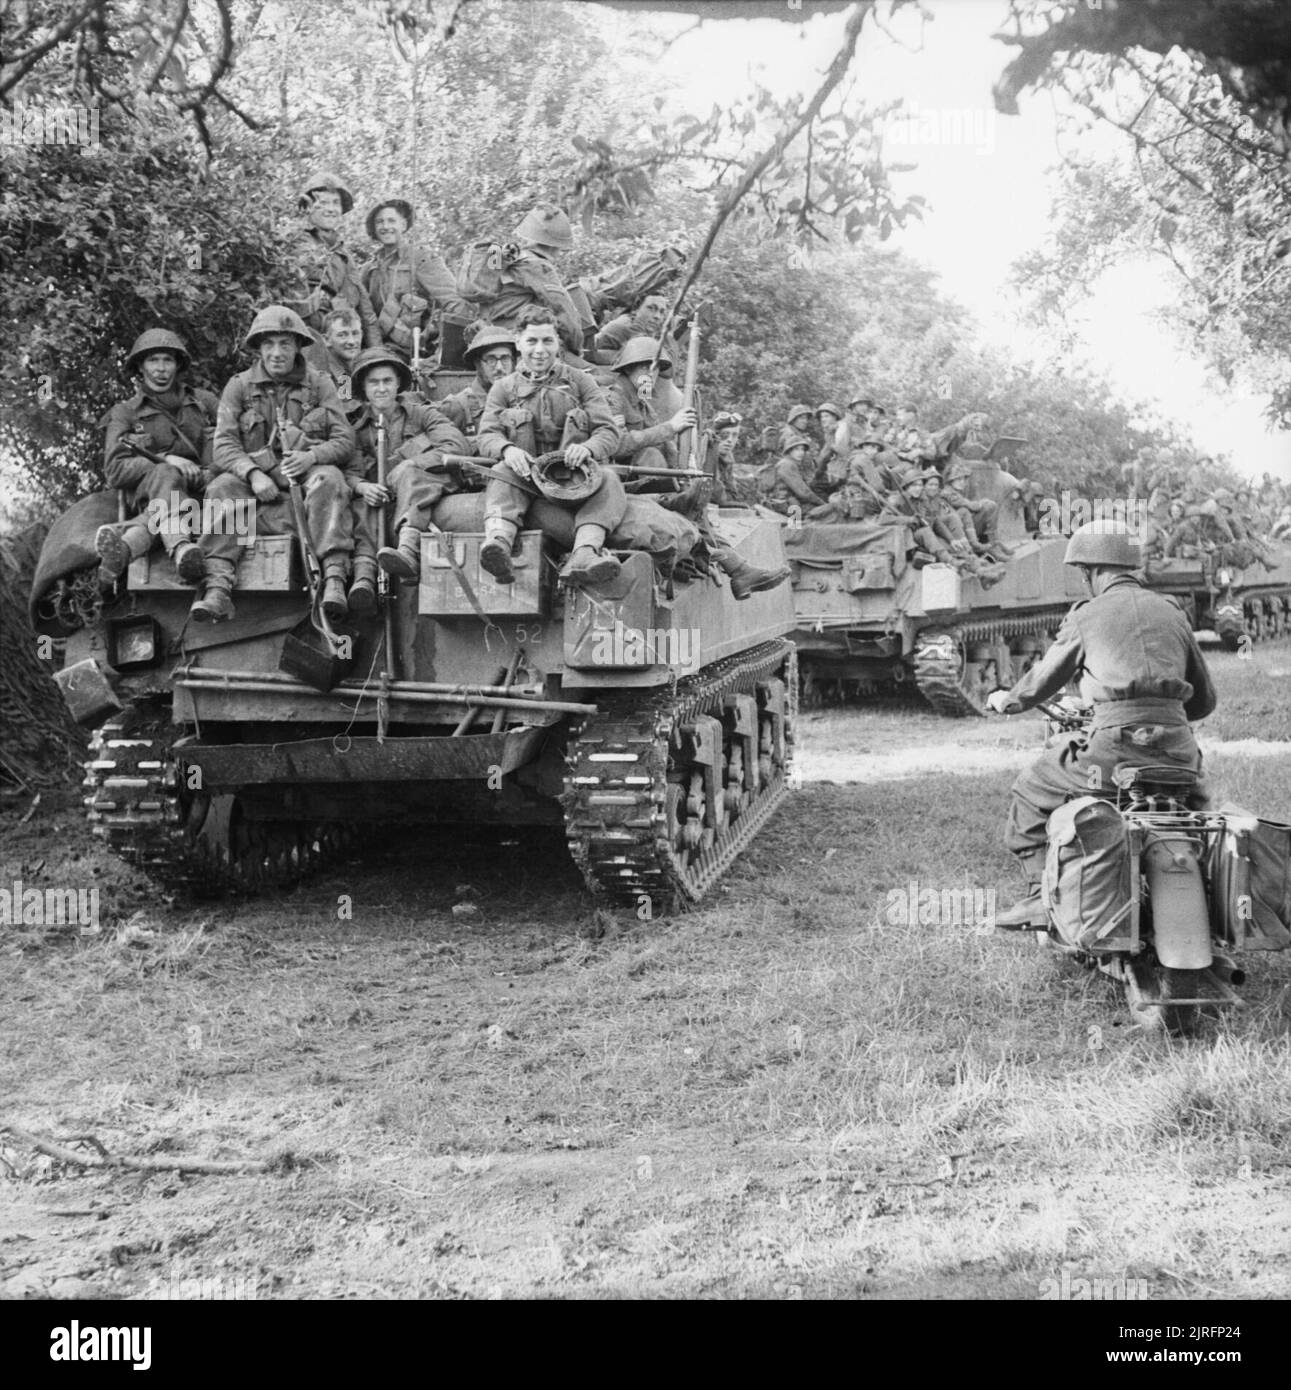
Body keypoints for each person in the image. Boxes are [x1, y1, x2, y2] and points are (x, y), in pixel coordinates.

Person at [987, 522, 1216, 926]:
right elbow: (1204, 700)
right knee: (1199, 811)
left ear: (1091, 571)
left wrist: (1009, 700)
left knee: (1029, 790)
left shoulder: (1087, 615)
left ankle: (1041, 897)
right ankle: (1211, 893)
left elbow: (1042, 681)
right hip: (1179, 751)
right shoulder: (1172, 612)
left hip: (1112, 754)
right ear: (1133, 567)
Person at [194, 305, 356, 623]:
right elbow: (223, 445)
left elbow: (344, 440)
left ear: (298, 346)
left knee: (331, 479)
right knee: (221, 487)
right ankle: (217, 586)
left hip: (306, 477)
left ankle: (334, 578)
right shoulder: (239, 386)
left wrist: (312, 457)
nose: (277, 353)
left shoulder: (321, 384)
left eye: (284, 344)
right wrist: (253, 474)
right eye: (269, 344)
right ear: (259, 348)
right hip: (256, 482)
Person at [474, 305, 624, 586]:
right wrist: (508, 450)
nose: (539, 350)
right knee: (500, 471)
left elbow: (608, 431)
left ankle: (585, 553)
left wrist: (588, 449)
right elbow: (487, 435)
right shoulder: (503, 388)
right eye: (531, 341)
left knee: (611, 480)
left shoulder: (581, 381)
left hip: (575, 481)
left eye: (547, 341)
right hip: (526, 479)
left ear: (558, 344)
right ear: (518, 343)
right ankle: (498, 546)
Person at [342, 347, 469, 609]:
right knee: (359, 504)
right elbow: (349, 473)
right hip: (385, 506)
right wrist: (363, 486)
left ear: (398, 383)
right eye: (373, 382)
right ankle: (364, 576)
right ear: (363, 388)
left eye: (387, 381)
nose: (381, 389)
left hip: (427, 491)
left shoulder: (422, 414)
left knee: (410, 474)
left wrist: (412, 462)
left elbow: (457, 446)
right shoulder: (357, 430)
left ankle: (409, 551)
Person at [94, 329, 217, 587]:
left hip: (201, 492)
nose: (161, 369)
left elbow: (230, 445)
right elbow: (115, 470)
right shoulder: (126, 413)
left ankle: (126, 547)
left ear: (177, 364)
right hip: (150, 493)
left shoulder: (204, 403)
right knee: (166, 474)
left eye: (167, 360)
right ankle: (180, 546)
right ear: (140, 365)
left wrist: (206, 471)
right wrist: (167, 461)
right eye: (153, 360)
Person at [360, 197, 477, 361]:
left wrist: (446, 354)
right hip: (376, 350)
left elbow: (456, 304)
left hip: (414, 352)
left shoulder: (421, 259)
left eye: (391, 220)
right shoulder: (368, 270)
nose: (385, 227)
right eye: (380, 222)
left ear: (403, 224)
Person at [460, 204, 584, 356]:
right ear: (555, 246)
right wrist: (575, 348)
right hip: (520, 345)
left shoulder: (507, 259)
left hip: (488, 339)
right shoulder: (537, 266)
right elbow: (564, 313)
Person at [283, 173, 380, 347]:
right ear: (307, 207)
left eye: (336, 203)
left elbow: (366, 311)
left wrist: (377, 352)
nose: (331, 209)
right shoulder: (293, 244)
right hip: (310, 343)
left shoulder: (344, 255)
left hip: (345, 344)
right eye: (324, 202)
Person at [603, 336, 695, 475]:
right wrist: (671, 426)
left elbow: (659, 436)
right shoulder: (614, 398)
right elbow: (618, 446)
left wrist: (682, 465)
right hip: (615, 474)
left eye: (656, 368)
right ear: (628, 369)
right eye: (645, 367)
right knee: (651, 455)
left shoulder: (641, 396)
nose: (652, 374)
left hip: (633, 472)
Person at [437, 323, 517, 447]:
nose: (499, 368)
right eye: (491, 360)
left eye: (505, 359)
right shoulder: (457, 406)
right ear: (477, 363)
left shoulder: (520, 400)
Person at [303, 306, 364, 401]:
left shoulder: (365, 365)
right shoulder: (318, 373)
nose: (352, 341)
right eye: (342, 335)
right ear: (326, 340)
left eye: (355, 333)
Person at [757, 433, 819, 517]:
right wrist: (822, 503)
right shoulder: (787, 464)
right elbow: (803, 492)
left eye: (802, 449)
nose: (801, 452)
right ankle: (795, 528)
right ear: (789, 450)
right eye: (797, 449)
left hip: (786, 503)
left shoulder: (791, 463)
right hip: (785, 505)